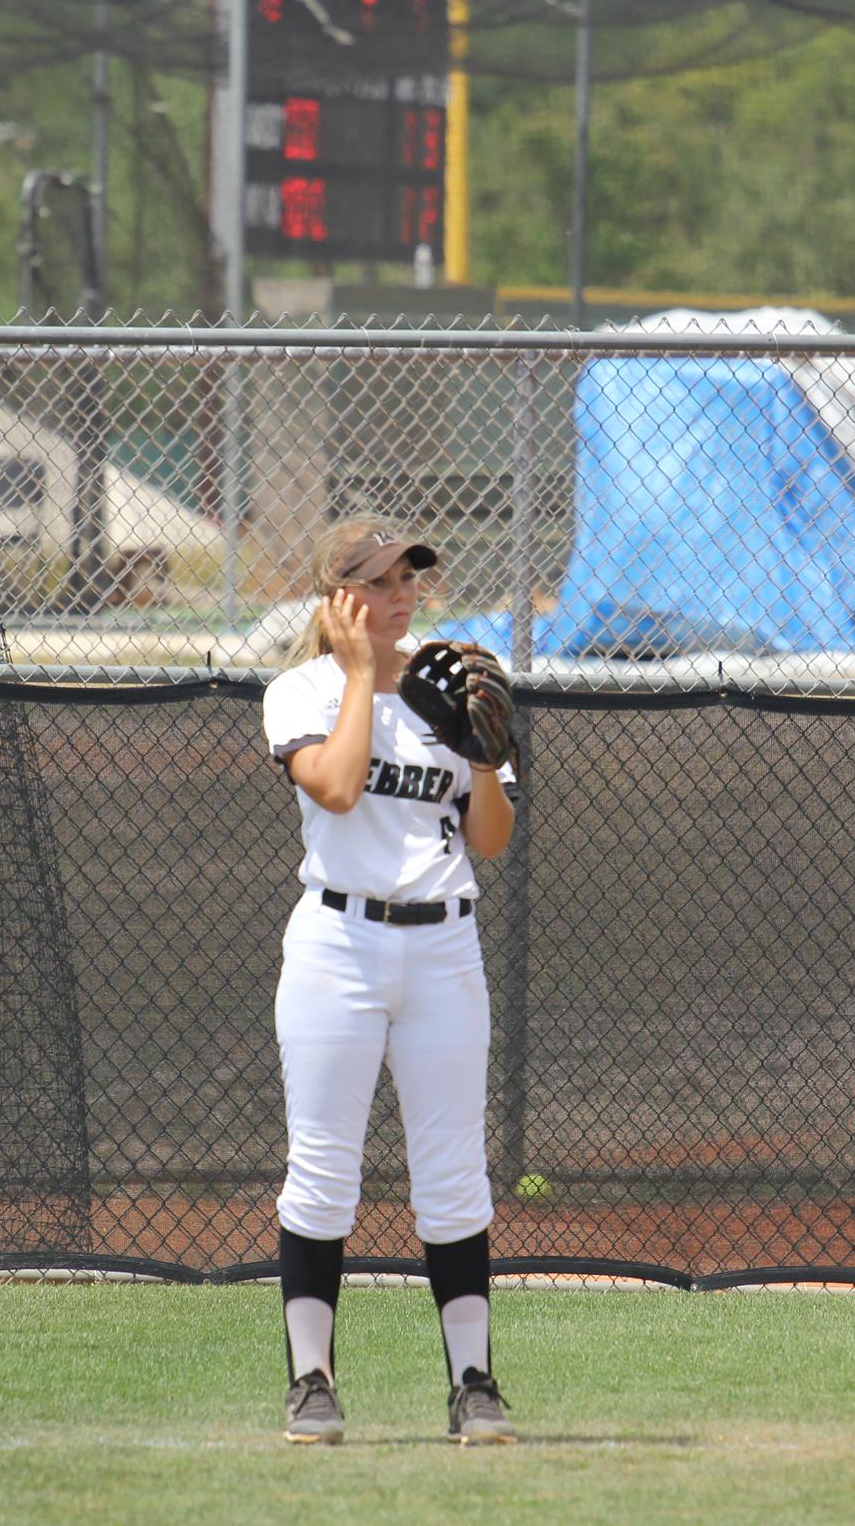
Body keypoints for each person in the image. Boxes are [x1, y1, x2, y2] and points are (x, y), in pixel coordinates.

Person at [260, 518, 519, 1446]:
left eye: (410, 576)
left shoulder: (455, 681)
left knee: (453, 1176)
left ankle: (473, 1383)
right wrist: (364, 678)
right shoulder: (303, 689)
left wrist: (481, 756)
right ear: (337, 595)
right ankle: (311, 1382)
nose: (401, 593)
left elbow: (491, 838)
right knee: (323, 1172)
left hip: (445, 948)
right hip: (338, 945)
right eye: (378, 580)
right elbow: (334, 788)